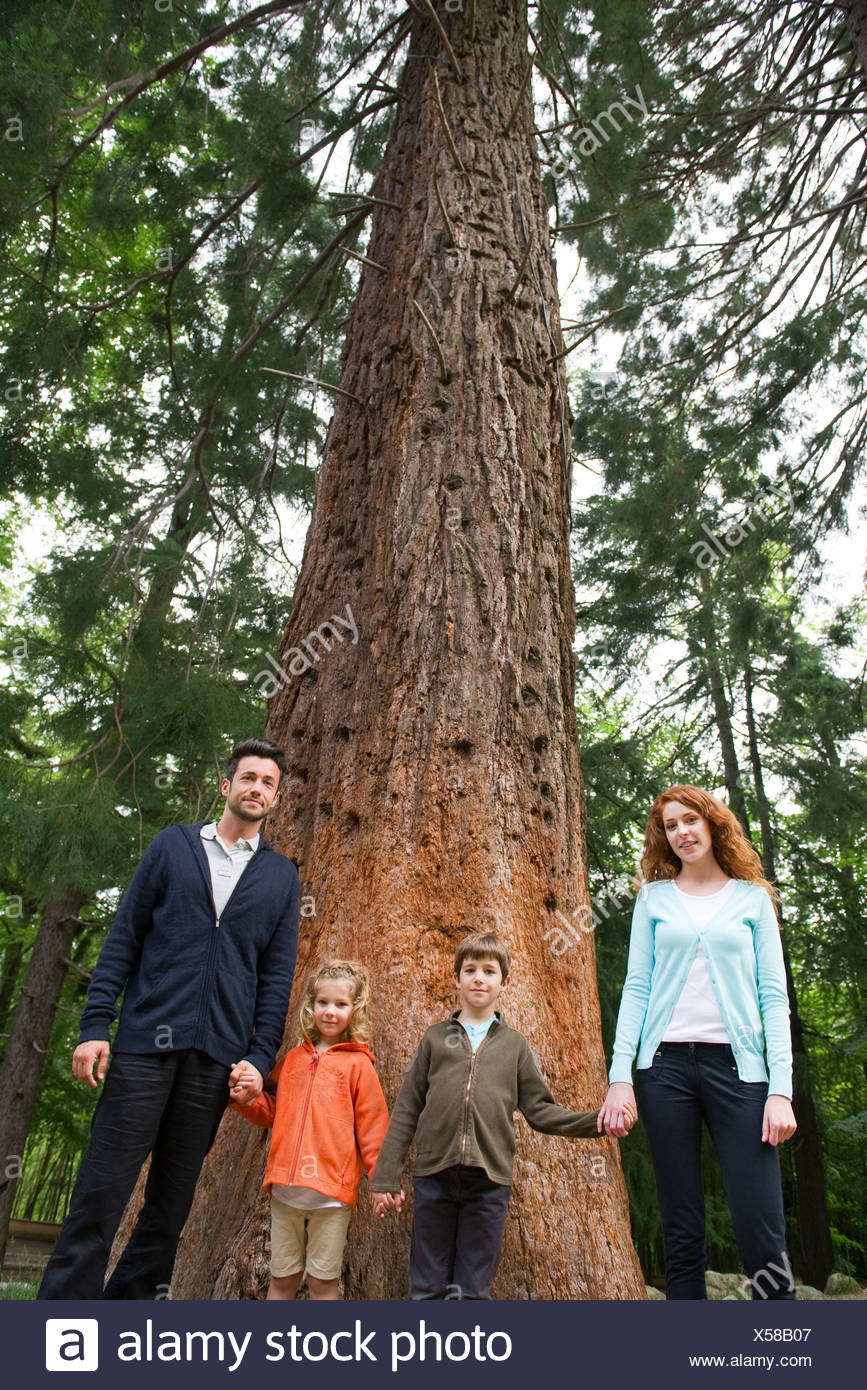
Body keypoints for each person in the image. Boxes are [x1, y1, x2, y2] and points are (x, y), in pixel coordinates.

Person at [38, 737, 300, 1300]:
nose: (257, 789)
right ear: (226, 785)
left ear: (276, 799)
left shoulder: (281, 877)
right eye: (249, 778)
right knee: (99, 1197)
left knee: (169, 1213)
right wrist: (93, 1027)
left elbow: (276, 980)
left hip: (215, 1062)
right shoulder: (174, 846)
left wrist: (257, 1057)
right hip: (141, 1050)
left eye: (269, 783)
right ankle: (57, 1338)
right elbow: (123, 939)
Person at [599, 784, 797, 1300]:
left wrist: (781, 1089)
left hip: (742, 1074)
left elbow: (773, 996)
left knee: (762, 1230)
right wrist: (621, 1078)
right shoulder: (653, 899)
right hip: (664, 1071)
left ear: (713, 824)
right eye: (670, 826)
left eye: (691, 820)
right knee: (682, 1231)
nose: (682, 832)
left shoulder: (753, 900)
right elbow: (637, 988)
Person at [370, 931, 602, 1300]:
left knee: (473, 1290)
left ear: (504, 983)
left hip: (489, 1180)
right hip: (434, 1175)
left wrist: (598, 1121)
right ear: (456, 979)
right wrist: (385, 1179)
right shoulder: (434, 1039)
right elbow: (407, 1109)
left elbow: (540, 1111)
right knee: (427, 1286)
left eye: (489, 971)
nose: (479, 978)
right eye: (470, 970)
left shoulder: (515, 1046)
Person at [231, 959, 389, 1300]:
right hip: (285, 1193)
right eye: (323, 1003)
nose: (330, 1012)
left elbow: (374, 1128)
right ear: (311, 1005)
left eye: (341, 1004)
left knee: (322, 1284)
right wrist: (245, 1100)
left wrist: (383, 1180)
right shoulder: (292, 1061)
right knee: (282, 1281)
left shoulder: (359, 1065)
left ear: (355, 1009)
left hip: (331, 1198)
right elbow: (272, 1110)